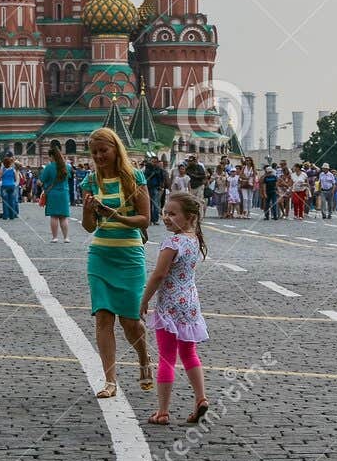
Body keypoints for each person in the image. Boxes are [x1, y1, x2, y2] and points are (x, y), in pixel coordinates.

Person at [81, 127, 152, 399]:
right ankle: (110, 380)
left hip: (129, 257)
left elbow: (144, 219)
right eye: (95, 152)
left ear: (115, 149)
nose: (99, 156)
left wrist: (116, 216)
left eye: (104, 151)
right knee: (103, 317)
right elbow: (89, 227)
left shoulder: (134, 177)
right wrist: (88, 212)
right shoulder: (90, 181)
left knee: (130, 322)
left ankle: (143, 357)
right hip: (100, 256)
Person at [140, 190, 211, 426]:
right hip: (190, 304)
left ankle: (162, 411)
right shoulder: (194, 239)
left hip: (170, 305)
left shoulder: (172, 242)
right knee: (190, 354)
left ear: (189, 217)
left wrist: (144, 300)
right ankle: (201, 398)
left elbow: (159, 275)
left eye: (172, 214)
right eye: (165, 212)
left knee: (167, 358)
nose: (166, 217)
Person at [43, 142, 73, 243]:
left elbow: (41, 180)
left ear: (52, 156)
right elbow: (68, 177)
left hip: (52, 193)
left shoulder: (49, 167)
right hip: (64, 193)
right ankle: (66, 237)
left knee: (54, 216)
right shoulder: (67, 166)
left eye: (49, 157)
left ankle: (55, 237)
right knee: (63, 217)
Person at [0, 155, 21, 220]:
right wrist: (15, 185)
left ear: (4, 163)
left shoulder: (3, 170)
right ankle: (12, 216)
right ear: (10, 163)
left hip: (4, 186)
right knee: (12, 201)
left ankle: (5, 216)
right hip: (12, 186)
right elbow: (16, 178)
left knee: (5, 202)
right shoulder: (13, 170)